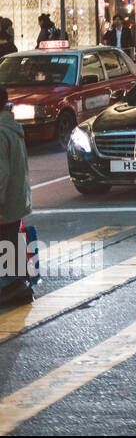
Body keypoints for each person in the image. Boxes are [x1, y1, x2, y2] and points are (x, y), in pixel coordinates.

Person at [0, 86, 33, 309]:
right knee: (10, 241)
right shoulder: (10, 127)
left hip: (4, 203)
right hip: (15, 199)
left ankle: (12, 288)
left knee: (6, 242)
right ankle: (20, 285)